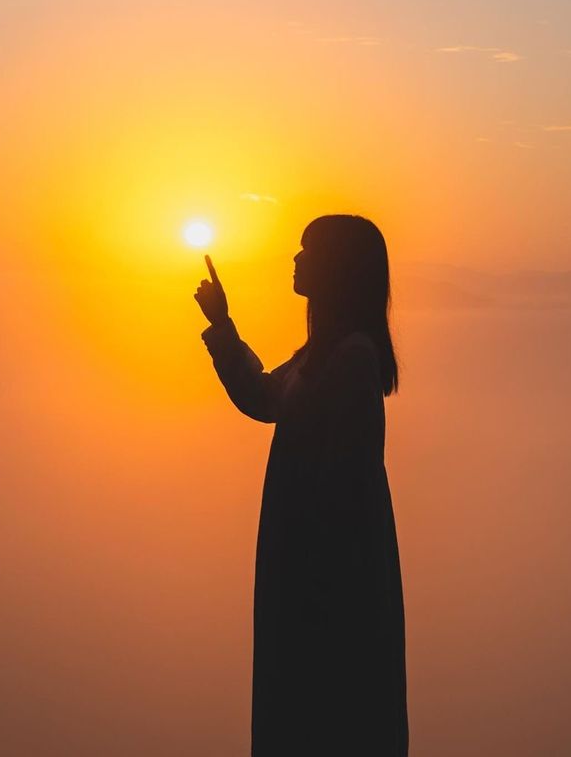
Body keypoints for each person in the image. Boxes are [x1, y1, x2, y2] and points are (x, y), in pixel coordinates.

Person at [194, 214, 408, 756]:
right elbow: (264, 399)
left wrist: (313, 588)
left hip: (328, 592)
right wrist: (222, 326)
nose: (296, 259)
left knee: (324, 719)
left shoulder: (353, 360)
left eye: (307, 249)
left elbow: (345, 492)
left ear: (337, 268)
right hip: (308, 578)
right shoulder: (319, 355)